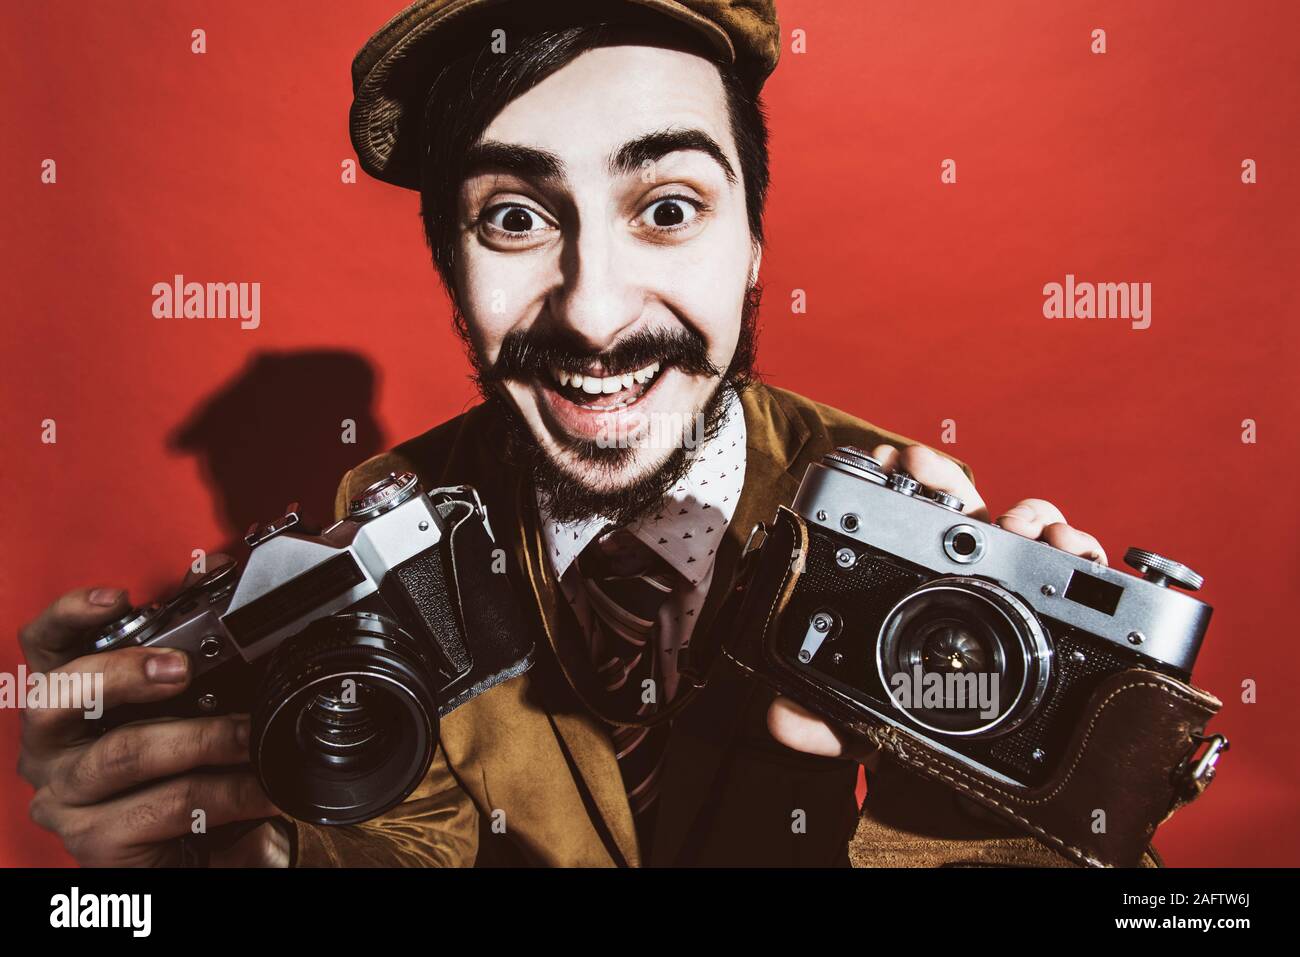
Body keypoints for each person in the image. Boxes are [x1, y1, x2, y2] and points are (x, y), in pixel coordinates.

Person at [17, 0, 1110, 866]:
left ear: (754, 245)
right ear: (451, 270)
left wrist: (1004, 813)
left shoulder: (919, 541)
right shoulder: (385, 540)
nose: (592, 313)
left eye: (668, 207)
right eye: (514, 216)